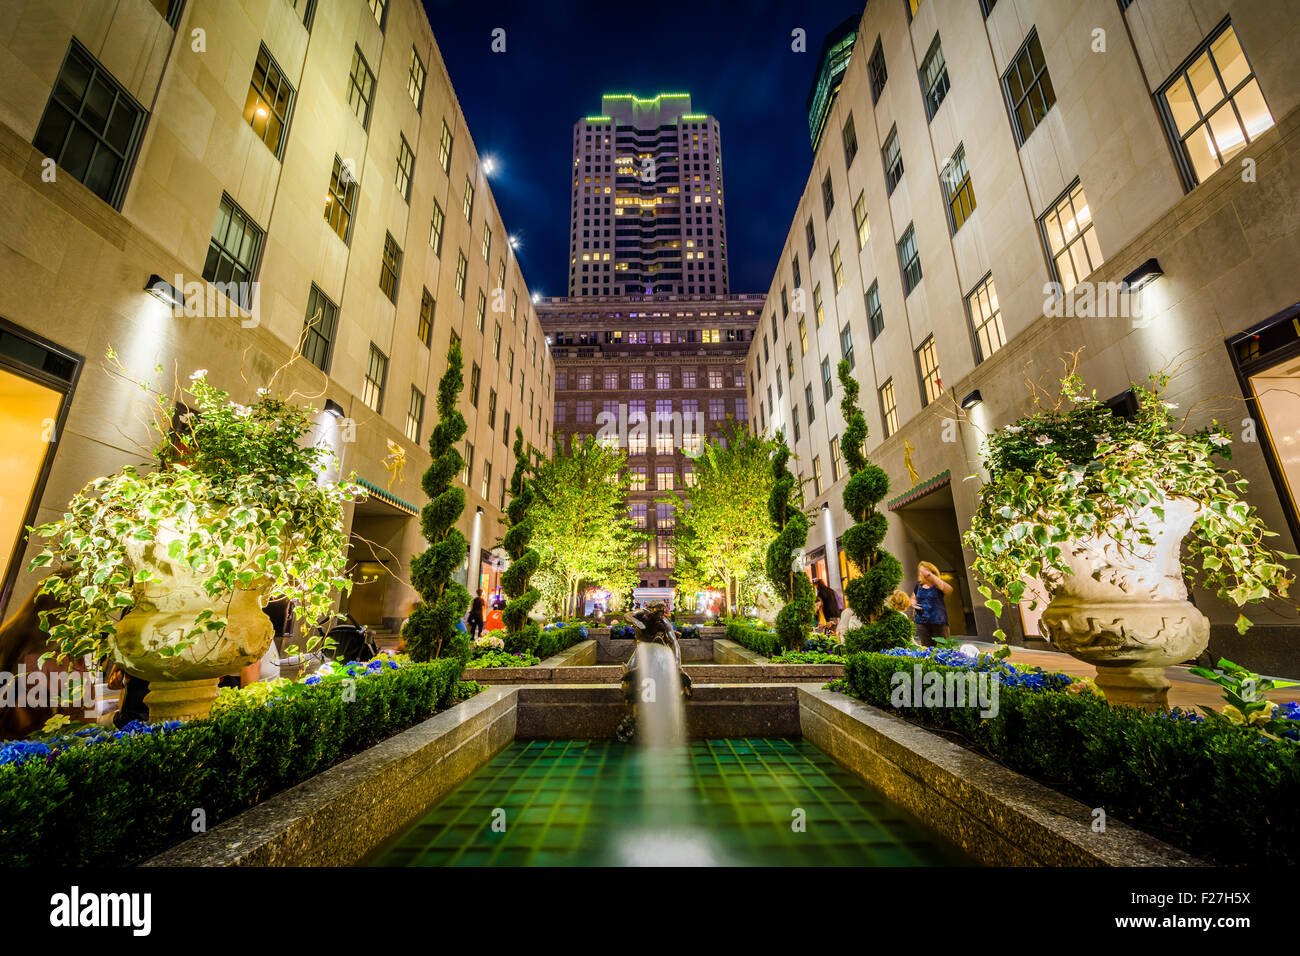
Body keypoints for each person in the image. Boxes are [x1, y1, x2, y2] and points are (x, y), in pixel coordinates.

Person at [910, 561, 953, 647]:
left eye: (925, 571)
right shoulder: (919, 585)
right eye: (921, 572)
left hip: (938, 621)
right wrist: (913, 603)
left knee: (943, 648)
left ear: (931, 571)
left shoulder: (938, 584)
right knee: (927, 649)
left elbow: (948, 590)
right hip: (921, 622)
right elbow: (913, 598)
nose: (923, 574)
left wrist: (931, 576)